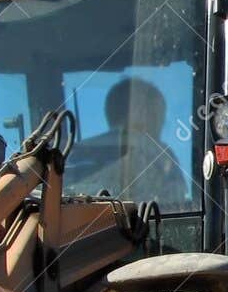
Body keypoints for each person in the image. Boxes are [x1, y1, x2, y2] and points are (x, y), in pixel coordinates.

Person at [66, 75, 190, 204]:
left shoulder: (72, 156)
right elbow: (177, 203)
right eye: (159, 117)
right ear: (142, 113)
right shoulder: (159, 155)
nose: (160, 126)